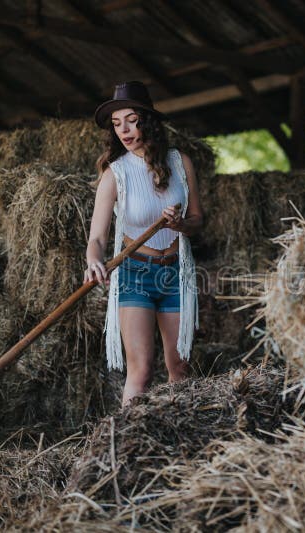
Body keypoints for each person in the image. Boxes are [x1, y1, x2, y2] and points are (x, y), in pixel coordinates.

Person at [84, 81, 203, 406]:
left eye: (131, 119)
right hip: (135, 274)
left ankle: (185, 438)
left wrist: (180, 224)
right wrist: (94, 260)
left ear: (147, 120)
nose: (123, 129)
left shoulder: (181, 163)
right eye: (116, 122)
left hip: (176, 273)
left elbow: (197, 221)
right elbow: (97, 238)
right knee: (142, 371)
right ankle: (125, 446)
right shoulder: (115, 174)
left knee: (179, 366)